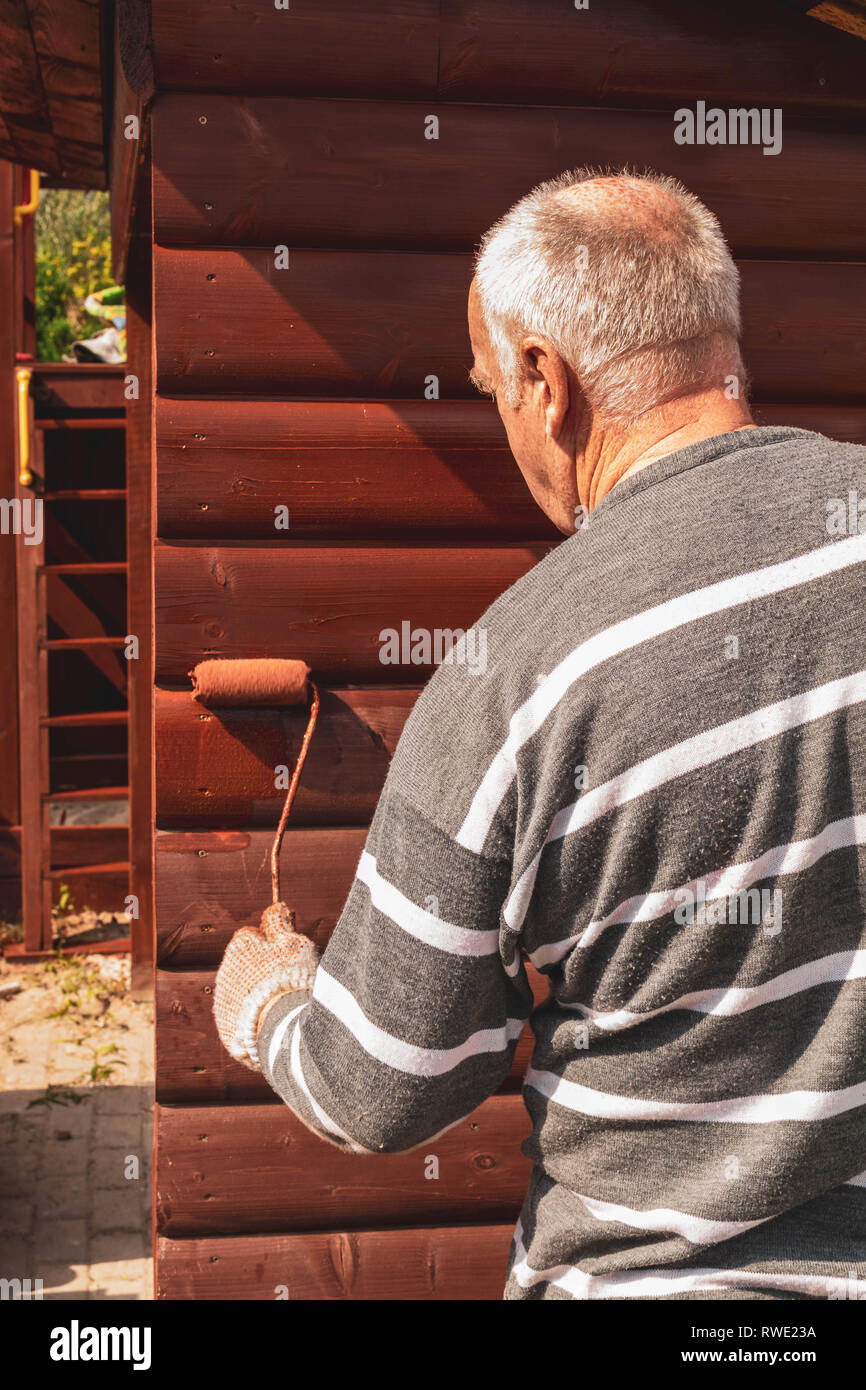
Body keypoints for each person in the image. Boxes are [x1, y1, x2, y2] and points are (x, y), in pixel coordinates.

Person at [214, 169, 866, 1300]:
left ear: (540, 379)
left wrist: (268, 1004)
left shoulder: (513, 678)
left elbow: (378, 1087)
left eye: (487, 386)